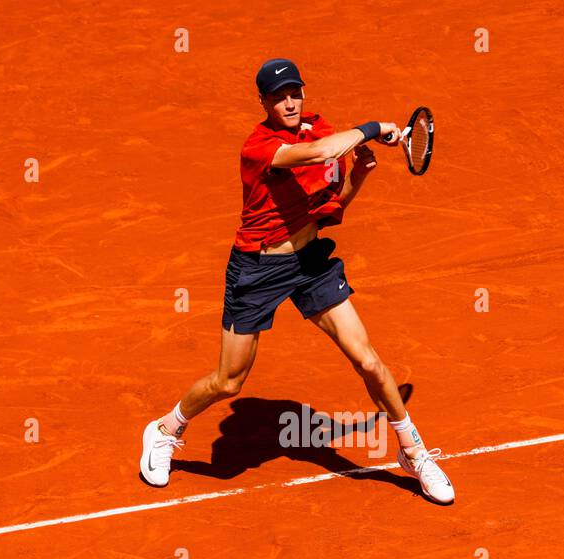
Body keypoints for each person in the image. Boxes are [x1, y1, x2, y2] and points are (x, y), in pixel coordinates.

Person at [139, 57, 454, 505]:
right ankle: (166, 429)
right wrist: (372, 127)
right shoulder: (259, 147)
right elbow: (321, 154)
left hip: (309, 263)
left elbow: (328, 208)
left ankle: (413, 451)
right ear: (264, 102)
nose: (288, 102)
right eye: (278, 97)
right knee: (229, 382)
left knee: (366, 360)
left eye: (295, 94)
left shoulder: (320, 128)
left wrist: (358, 179)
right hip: (257, 269)